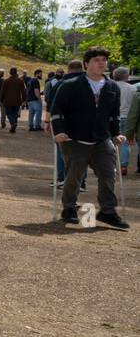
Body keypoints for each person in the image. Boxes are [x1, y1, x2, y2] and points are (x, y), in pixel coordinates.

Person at [51, 47, 128, 229]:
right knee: (74, 176)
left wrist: (116, 133)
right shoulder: (70, 85)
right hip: (75, 139)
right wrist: (59, 131)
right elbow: (57, 110)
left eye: (103, 60)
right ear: (86, 64)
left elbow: (114, 115)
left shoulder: (112, 87)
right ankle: (68, 209)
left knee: (109, 175)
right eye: (96, 60)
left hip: (102, 139)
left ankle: (107, 211)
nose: (101, 63)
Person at [112, 66, 133, 174]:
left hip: (113, 118)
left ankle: (111, 165)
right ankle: (123, 166)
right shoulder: (132, 88)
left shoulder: (110, 86)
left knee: (111, 143)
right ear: (126, 76)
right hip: (128, 118)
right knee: (125, 143)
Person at [0, 66, 25, 132]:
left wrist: (1, 100)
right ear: (16, 73)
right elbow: (23, 91)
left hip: (8, 101)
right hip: (17, 100)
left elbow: (3, 91)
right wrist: (24, 100)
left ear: (10, 73)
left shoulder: (6, 81)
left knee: (8, 113)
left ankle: (13, 123)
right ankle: (14, 125)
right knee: (15, 113)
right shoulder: (20, 81)